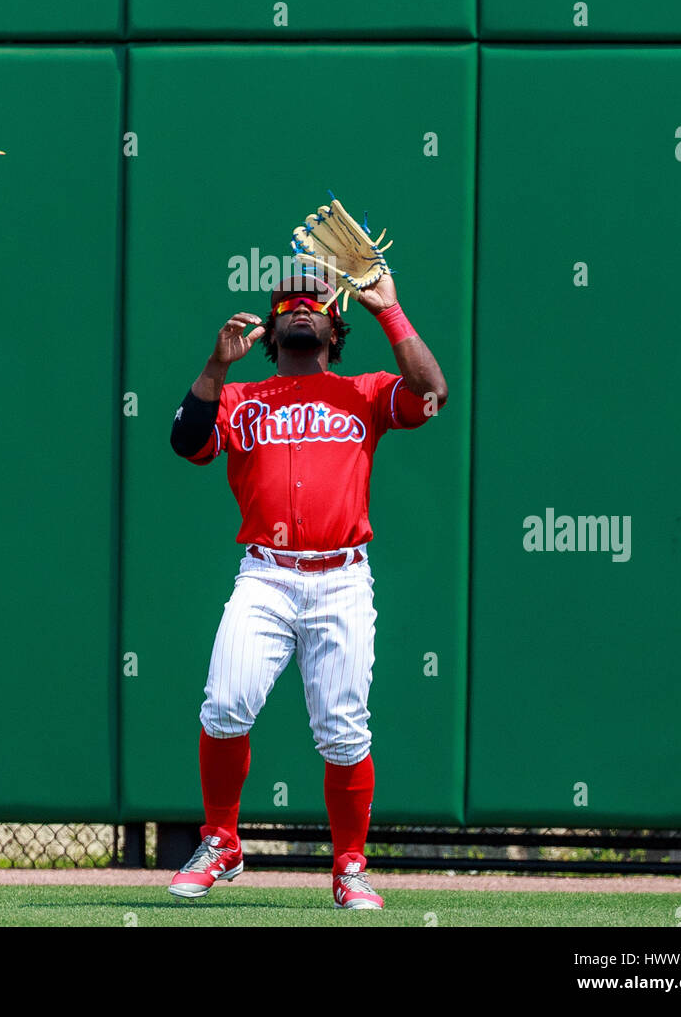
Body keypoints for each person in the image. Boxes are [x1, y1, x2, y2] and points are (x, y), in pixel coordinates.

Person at [168, 263, 448, 910]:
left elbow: (432, 395)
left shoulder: (365, 391)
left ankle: (350, 867)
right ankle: (222, 841)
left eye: (315, 299)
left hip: (342, 579)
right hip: (266, 574)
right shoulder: (240, 398)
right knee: (225, 705)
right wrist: (215, 368)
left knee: (345, 732)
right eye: (287, 299)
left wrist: (390, 310)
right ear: (270, 325)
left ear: (333, 322)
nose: (300, 305)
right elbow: (186, 441)